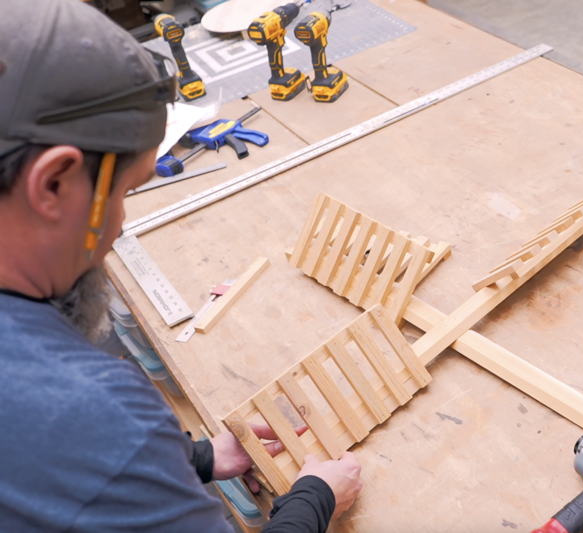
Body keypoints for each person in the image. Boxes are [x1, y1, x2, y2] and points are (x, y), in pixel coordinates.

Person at [0, 1, 362, 531]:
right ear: (54, 184)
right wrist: (313, 500)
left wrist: (192, 461)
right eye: (125, 191)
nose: (120, 225)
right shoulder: (92, 409)